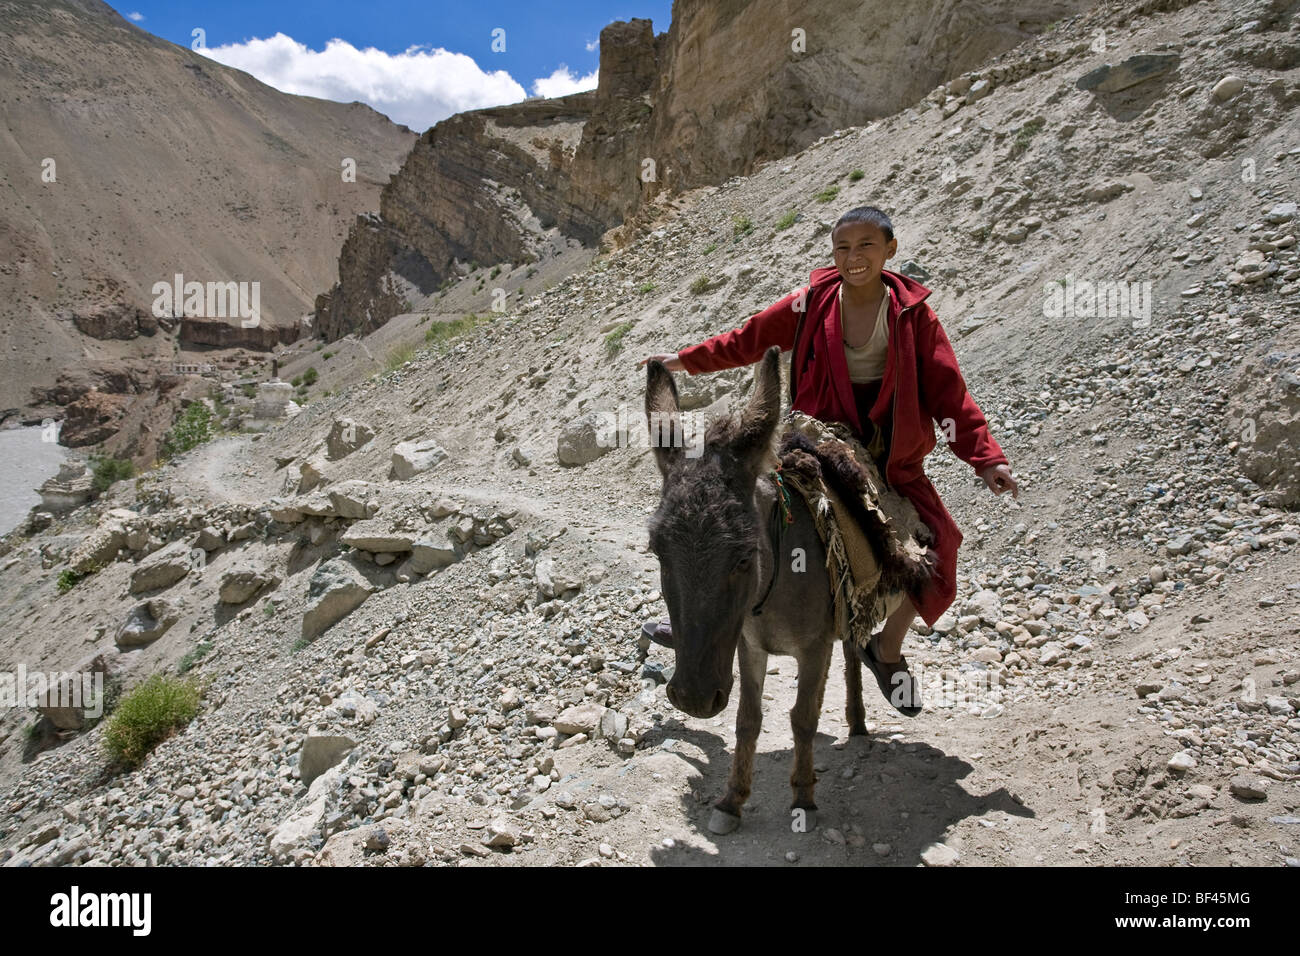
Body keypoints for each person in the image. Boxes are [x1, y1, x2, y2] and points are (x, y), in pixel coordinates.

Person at [638, 205, 1019, 717]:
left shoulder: (915, 317)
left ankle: (885, 650)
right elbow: (748, 340)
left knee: (942, 545)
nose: (853, 257)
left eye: (866, 246)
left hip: (887, 454)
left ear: (890, 249)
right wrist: (681, 362)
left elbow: (952, 397)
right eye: (842, 248)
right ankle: (696, 623)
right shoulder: (811, 303)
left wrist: (986, 459)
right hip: (815, 442)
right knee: (718, 519)